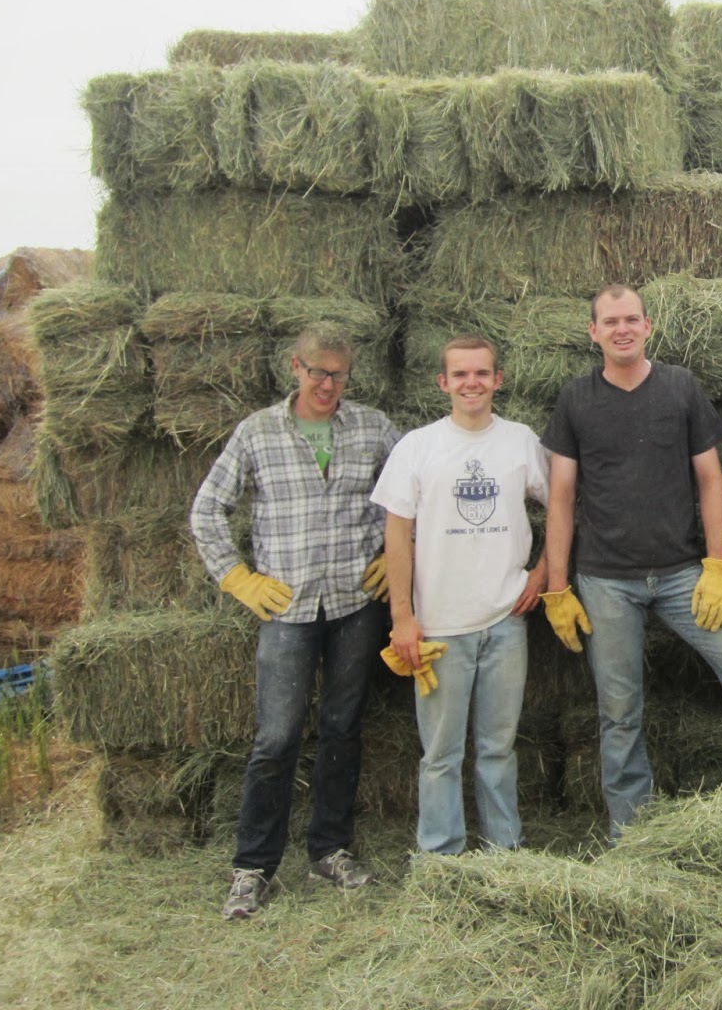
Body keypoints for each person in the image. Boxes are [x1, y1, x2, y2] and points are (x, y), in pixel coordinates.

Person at [539, 285, 722, 838]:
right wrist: (558, 588)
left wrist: (716, 566)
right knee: (619, 711)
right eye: (610, 321)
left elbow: (710, 479)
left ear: (648, 326)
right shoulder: (576, 399)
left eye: (631, 319)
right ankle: (631, 832)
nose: (622, 329)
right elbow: (561, 498)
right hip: (605, 580)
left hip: (684, 574)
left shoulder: (679, 386)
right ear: (593, 332)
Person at [191, 323, 399, 920]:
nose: (328, 384)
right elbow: (207, 509)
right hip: (288, 608)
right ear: (295, 367)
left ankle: (329, 849)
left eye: (338, 373)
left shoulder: (374, 427)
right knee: (276, 738)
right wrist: (236, 576)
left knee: (342, 727)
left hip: (356, 604)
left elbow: (413, 494)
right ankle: (252, 866)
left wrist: (394, 555)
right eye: (318, 371)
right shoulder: (258, 432)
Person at [370, 336, 549, 854]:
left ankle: (504, 850)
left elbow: (562, 503)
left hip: (505, 619)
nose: (472, 383)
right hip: (441, 626)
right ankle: (441, 855)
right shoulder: (418, 447)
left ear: (499, 379)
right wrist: (402, 617)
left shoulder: (519, 441)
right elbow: (397, 535)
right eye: (461, 374)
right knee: (441, 753)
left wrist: (543, 573)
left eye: (482, 373)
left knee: (498, 747)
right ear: (442, 383)